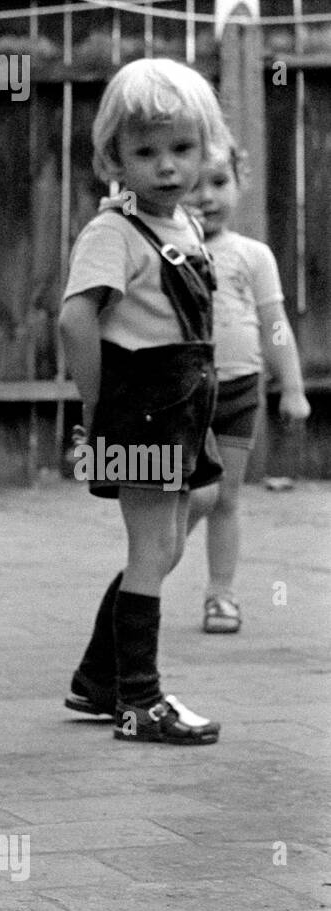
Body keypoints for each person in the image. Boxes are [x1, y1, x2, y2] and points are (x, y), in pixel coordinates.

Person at [59, 58, 233, 745]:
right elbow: (76, 319)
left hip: (185, 402)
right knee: (152, 545)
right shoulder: (115, 232)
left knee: (201, 507)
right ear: (114, 158)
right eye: (146, 152)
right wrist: (98, 409)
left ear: (206, 146)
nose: (167, 167)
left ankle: (100, 678)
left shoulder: (181, 223)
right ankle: (139, 701)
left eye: (182, 150)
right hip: (144, 405)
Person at [184, 149, 311, 633]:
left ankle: (221, 594)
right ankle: (149, 570)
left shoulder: (252, 255)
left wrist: (293, 387)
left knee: (226, 497)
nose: (207, 196)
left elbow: (275, 325)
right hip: (185, 393)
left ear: (240, 183)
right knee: (194, 495)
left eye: (219, 182)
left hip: (239, 390)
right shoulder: (165, 246)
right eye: (196, 184)